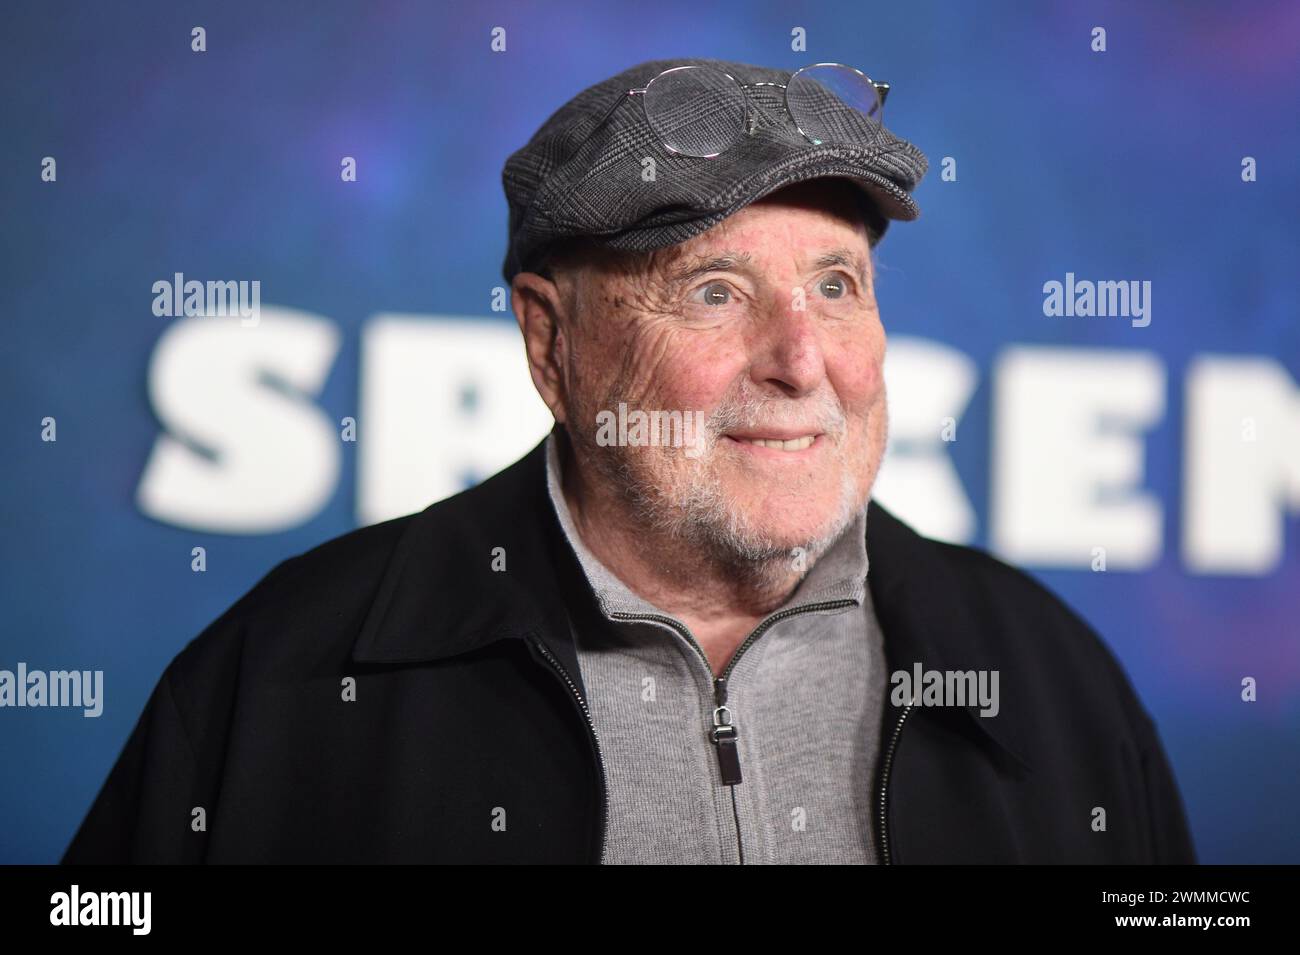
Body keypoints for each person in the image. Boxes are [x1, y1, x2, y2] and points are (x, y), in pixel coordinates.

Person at [62, 57, 1196, 864]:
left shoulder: (1049, 678)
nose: (802, 362)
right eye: (714, 292)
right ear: (551, 344)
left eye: (836, 286)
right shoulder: (284, 678)